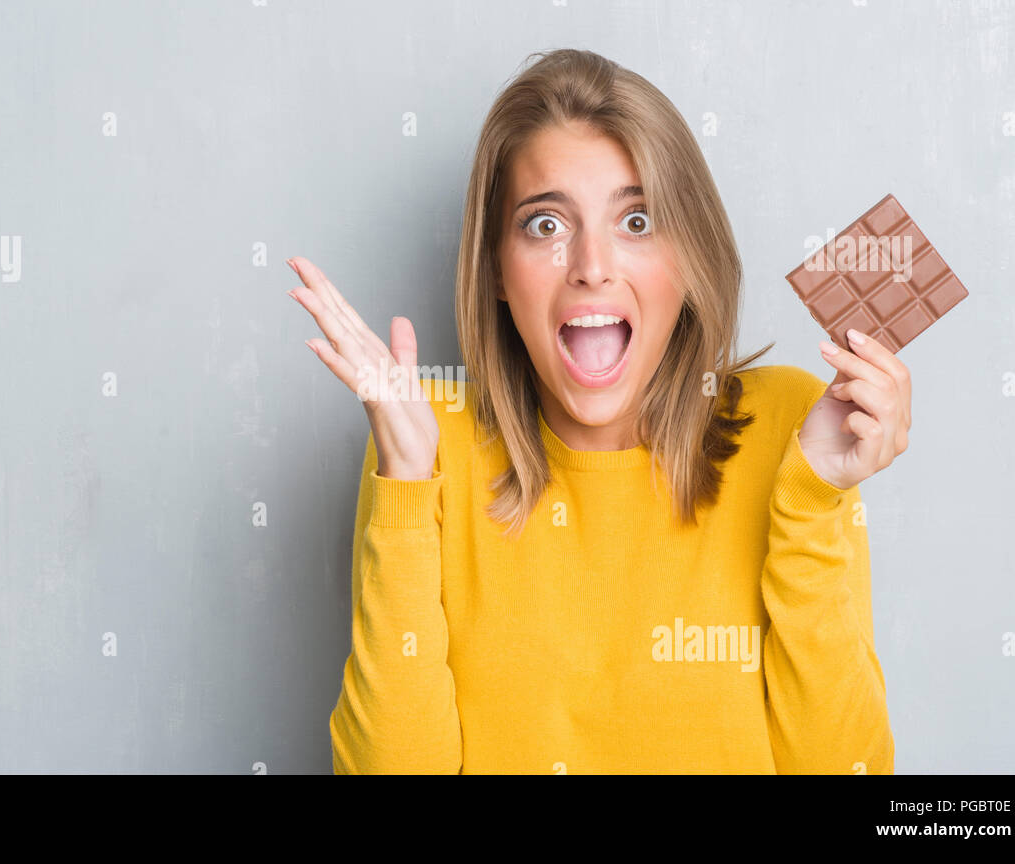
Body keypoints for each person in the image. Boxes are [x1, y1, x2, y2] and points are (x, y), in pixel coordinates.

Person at [287, 48, 907, 774]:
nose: (591, 264)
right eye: (545, 225)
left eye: (637, 221)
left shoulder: (792, 426)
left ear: (691, 255)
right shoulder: (429, 437)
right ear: (494, 269)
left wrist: (812, 503)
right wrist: (404, 487)